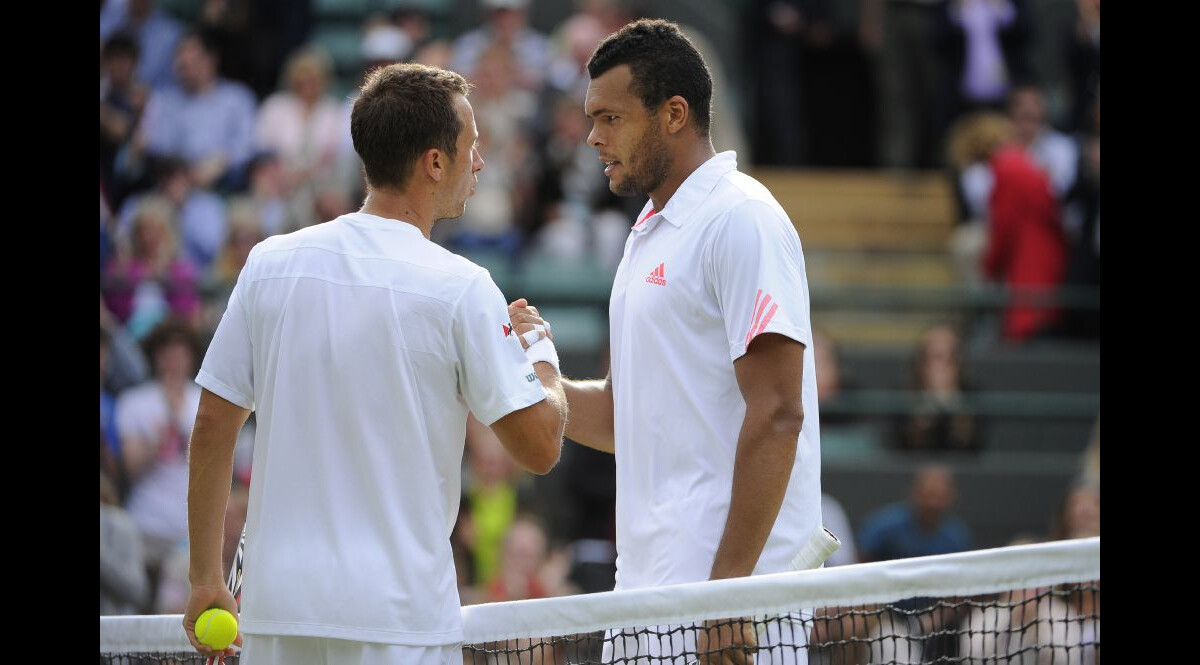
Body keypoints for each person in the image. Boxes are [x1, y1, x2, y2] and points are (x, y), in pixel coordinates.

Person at [182, 62, 568, 665]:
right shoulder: (463, 287)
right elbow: (541, 446)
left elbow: (212, 424)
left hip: (276, 613)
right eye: (471, 147)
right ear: (434, 163)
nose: (480, 163)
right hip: (400, 625)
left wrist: (205, 577)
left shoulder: (269, 262)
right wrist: (540, 351)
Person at [510, 19, 821, 663]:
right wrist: (534, 376)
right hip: (645, 598)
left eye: (611, 118)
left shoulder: (743, 217)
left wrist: (727, 594)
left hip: (728, 604)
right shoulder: (647, 232)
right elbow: (629, 416)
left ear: (674, 115)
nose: (593, 136)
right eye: (590, 117)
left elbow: (779, 411)